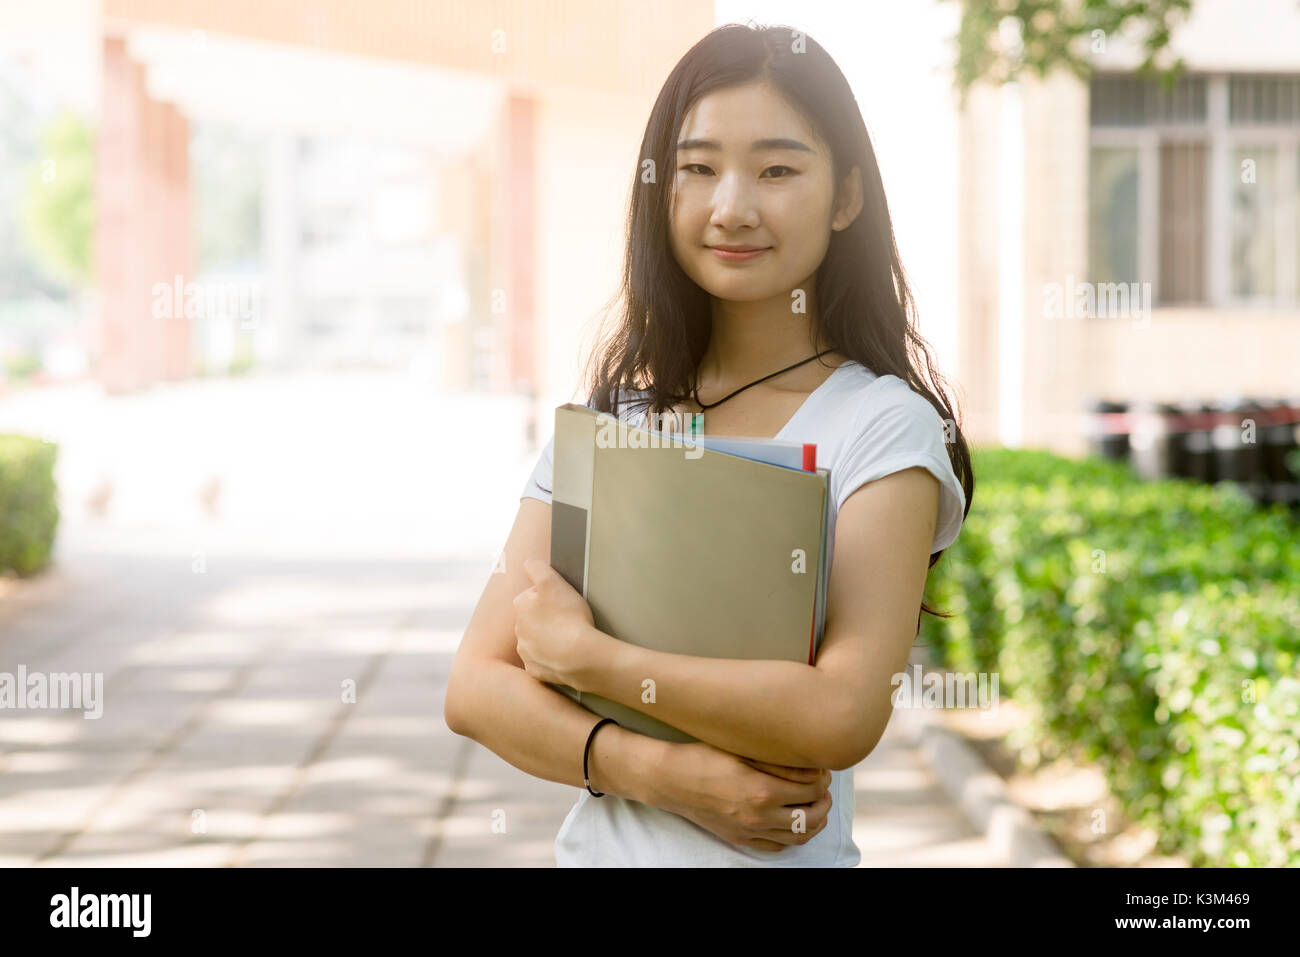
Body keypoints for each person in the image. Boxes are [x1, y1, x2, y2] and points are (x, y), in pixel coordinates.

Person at [444, 22, 975, 867]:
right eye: (698, 168)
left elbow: (842, 714)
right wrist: (666, 773)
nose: (732, 206)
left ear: (846, 197)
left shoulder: (881, 426)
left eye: (777, 169)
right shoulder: (612, 420)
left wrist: (590, 659)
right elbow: (475, 685)